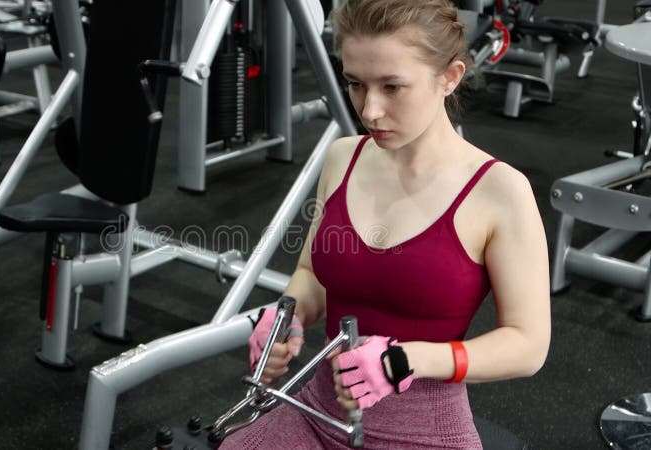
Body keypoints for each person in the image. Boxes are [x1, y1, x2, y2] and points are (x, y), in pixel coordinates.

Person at [220, 0, 551, 448]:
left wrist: (407, 359)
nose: (370, 110)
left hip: (426, 426)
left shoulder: (500, 191)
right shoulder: (343, 158)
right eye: (356, 84)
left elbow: (528, 345)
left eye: (392, 87)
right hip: (320, 407)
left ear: (449, 78)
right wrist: (289, 314)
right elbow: (314, 276)